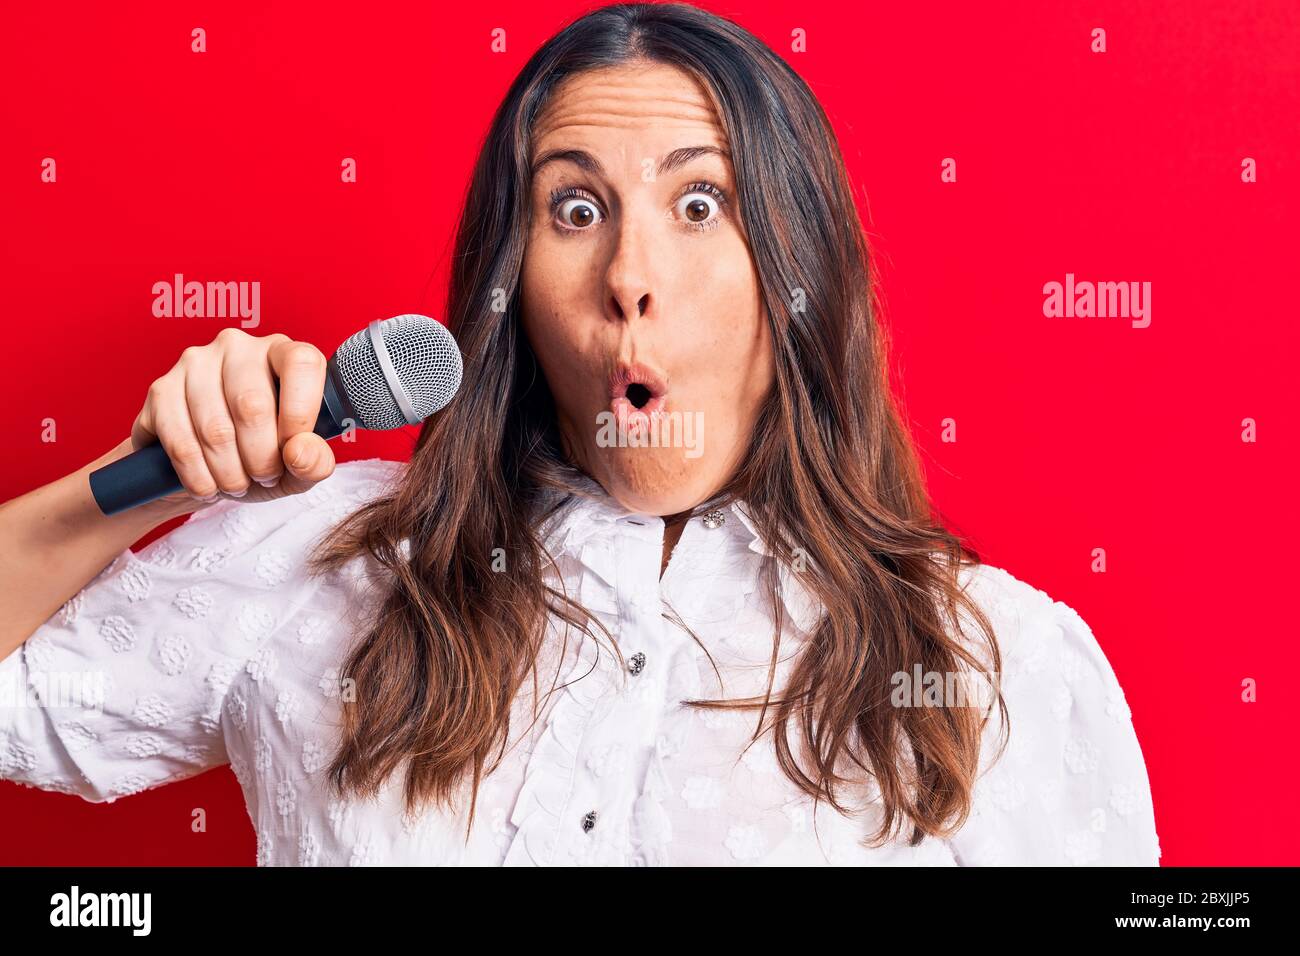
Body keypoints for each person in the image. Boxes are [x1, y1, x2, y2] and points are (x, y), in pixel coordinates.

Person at [0, 2, 1159, 866]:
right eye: (575, 208)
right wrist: (142, 480)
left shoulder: (993, 661)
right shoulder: (322, 560)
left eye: (700, 203)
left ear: (798, 274)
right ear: (512, 283)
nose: (629, 276)